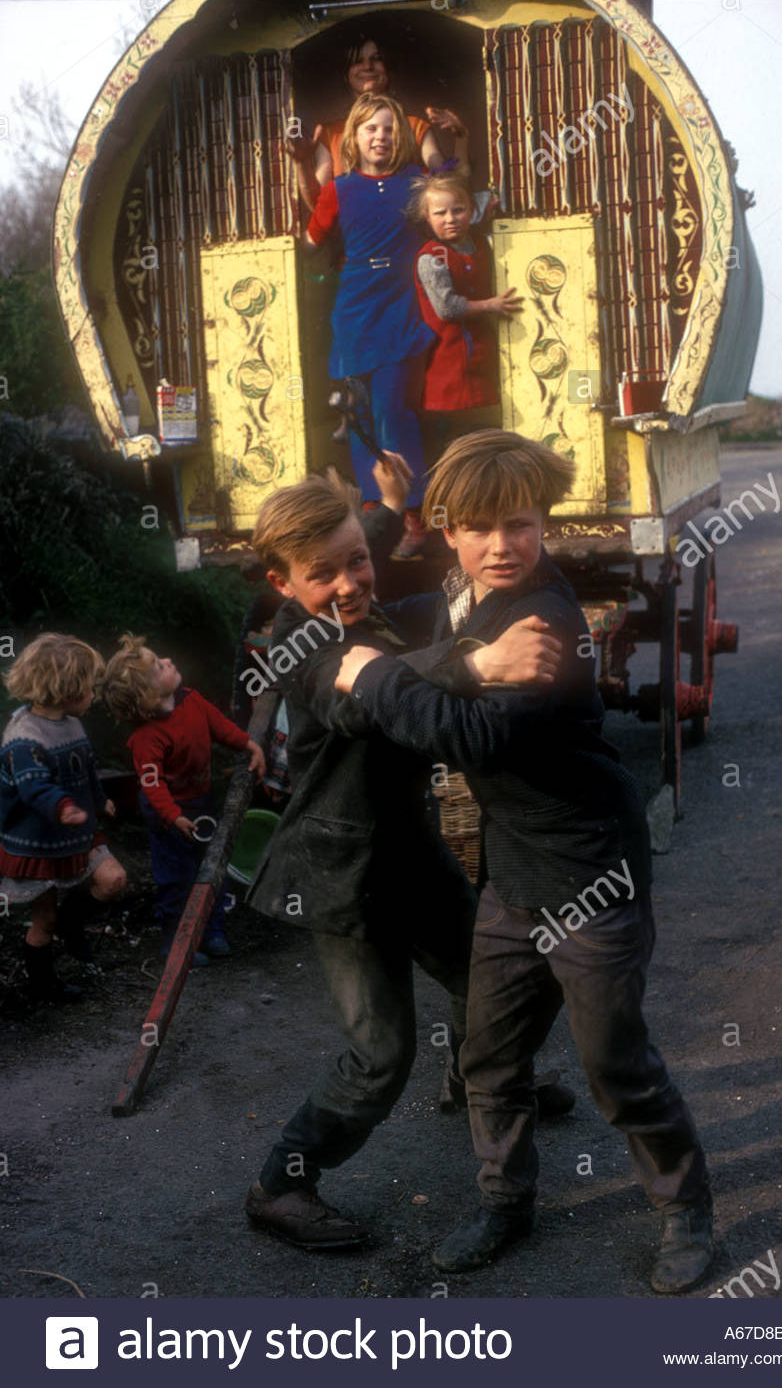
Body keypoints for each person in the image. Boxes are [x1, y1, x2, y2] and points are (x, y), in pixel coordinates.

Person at [333, 429, 714, 1295]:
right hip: (513, 872)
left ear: (544, 526)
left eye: (521, 525)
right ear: (447, 530)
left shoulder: (544, 623)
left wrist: (375, 678)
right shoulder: (457, 594)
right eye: (480, 527)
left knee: (614, 1063)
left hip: (588, 871)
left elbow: (465, 732)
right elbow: (388, 629)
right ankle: (506, 1203)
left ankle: (684, 1211)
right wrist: (392, 658)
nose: (502, 546)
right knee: (488, 1059)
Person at [241, 460, 563, 1249]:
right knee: (381, 1053)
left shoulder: (361, 591)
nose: (350, 584)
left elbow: (366, 550)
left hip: (412, 854)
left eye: (358, 560)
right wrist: (477, 663)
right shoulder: (298, 650)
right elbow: (363, 695)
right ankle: (280, 1184)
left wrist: (382, 512)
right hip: (342, 876)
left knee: (498, 983)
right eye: (323, 576)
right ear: (282, 585)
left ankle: (472, 1081)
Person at [304, 93, 436, 560]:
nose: (379, 137)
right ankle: (374, 507)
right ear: (354, 138)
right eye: (370, 129)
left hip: (400, 301)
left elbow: (453, 202)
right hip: (355, 305)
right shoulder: (339, 189)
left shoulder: (417, 183)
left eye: (388, 129)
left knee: (392, 409)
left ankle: (413, 514)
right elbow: (311, 239)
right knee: (358, 417)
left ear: (399, 136)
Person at [102, 638, 265, 965]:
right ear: (149, 695)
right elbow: (153, 785)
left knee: (213, 865)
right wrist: (173, 816)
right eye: (158, 666)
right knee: (177, 876)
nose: (167, 659)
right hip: (168, 816)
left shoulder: (191, 700)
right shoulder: (147, 737)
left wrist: (250, 745)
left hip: (201, 802)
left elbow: (220, 728)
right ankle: (176, 941)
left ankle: (213, 930)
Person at [0, 633, 127, 1001]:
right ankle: (43, 983)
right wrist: (63, 807)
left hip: (76, 834)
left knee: (113, 879)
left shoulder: (71, 722)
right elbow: (33, 786)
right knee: (45, 921)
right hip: (38, 843)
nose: (94, 694)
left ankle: (74, 923)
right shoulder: (24, 738)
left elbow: (85, 770)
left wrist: (99, 800)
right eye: (89, 688)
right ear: (66, 689)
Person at [291, 31, 469, 211]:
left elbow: (448, 186)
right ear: (346, 73)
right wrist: (302, 165)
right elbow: (319, 207)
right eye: (357, 61)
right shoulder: (330, 134)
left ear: (389, 68)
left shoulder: (415, 126)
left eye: (376, 59)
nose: (368, 67)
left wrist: (461, 137)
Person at [410, 172, 523, 413]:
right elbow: (448, 307)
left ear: (472, 210)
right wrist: (490, 306)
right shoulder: (431, 258)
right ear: (426, 217)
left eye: (458, 210)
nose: (450, 219)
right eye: (440, 213)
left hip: (482, 356)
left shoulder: (482, 244)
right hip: (451, 363)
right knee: (461, 427)